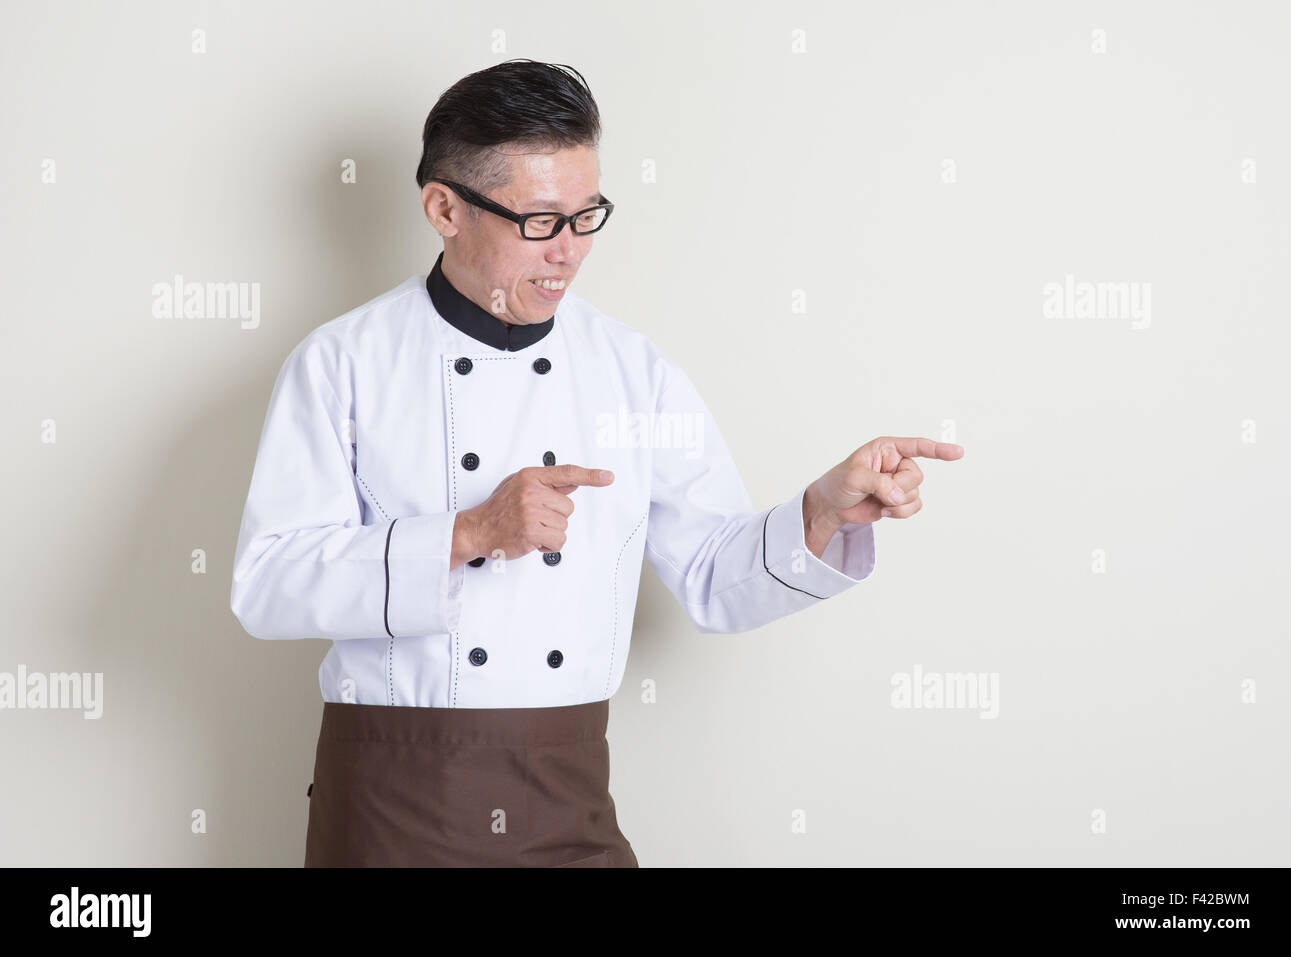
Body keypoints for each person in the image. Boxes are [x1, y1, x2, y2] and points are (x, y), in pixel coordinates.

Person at [229, 59, 963, 868]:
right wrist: (468, 531)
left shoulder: (633, 372)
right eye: (540, 222)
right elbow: (265, 584)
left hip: (568, 789)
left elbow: (716, 578)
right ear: (445, 208)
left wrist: (820, 513)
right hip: (394, 794)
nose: (570, 253)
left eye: (588, 216)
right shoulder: (341, 363)